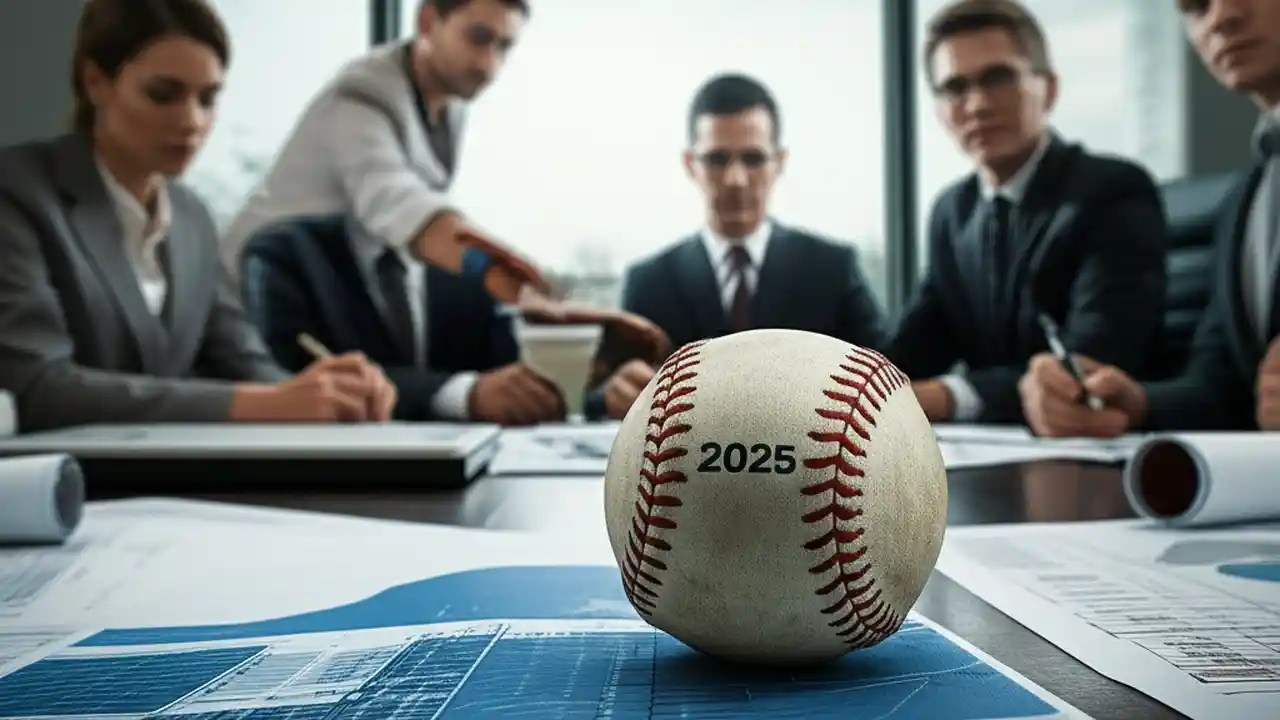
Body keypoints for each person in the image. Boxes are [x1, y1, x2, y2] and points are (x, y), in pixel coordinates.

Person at [0, 0, 396, 433]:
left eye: (208, 98)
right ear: (95, 82)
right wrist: (272, 401)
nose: (192, 121)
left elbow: (246, 364)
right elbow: (38, 388)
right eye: (163, 94)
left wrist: (332, 395)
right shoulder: (19, 193)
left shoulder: (191, 219)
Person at [887, 0, 1167, 424]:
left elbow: (1089, 366)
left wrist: (947, 396)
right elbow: (914, 349)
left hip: (1105, 450)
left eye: (997, 78)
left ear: (1049, 89)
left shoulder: (1111, 191)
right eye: (954, 88)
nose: (977, 104)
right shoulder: (952, 212)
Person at [1019, 0, 1280, 435]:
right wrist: (1134, 404)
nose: (1220, 17)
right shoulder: (1246, 200)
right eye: (1195, 6)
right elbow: (1221, 389)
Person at [591, 73, 888, 420]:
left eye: (753, 159)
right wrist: (609, 397)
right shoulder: (649, 282)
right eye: (717, 160)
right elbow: (610, 392)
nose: (735, 179)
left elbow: (889, 378)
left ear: (779, 163)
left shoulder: (833, 270)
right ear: (691, 165)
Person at [222, 0, 547, 307]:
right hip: (251, 303)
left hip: (338, 290)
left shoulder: (450, 104)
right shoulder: (359, 99)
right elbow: (396, 202)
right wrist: (499, 276)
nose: (489, 65)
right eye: (478, 38)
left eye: (504, 47)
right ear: (428, 22)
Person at [241, 214, 564, 426]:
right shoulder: (285, 253)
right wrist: (464, 394)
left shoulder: (467, 259)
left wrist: (596, 398)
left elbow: (513, 377)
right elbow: (292, 377)